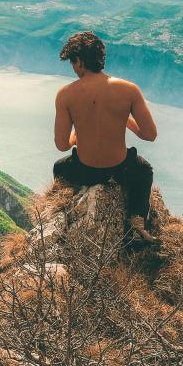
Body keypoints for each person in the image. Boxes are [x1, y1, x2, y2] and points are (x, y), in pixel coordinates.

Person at [52, 31, 159, 244]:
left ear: (80, 61)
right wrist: (125, 120)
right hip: (121, 169)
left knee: (59, 167)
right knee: (145, 171)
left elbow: (62, 145)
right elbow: (150, 135)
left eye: (73, 62)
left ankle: (69, 210)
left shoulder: (65, 95)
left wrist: (76, 136)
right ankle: (137, 218)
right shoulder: (129, 90)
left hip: (85, 171)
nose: (73, 68)